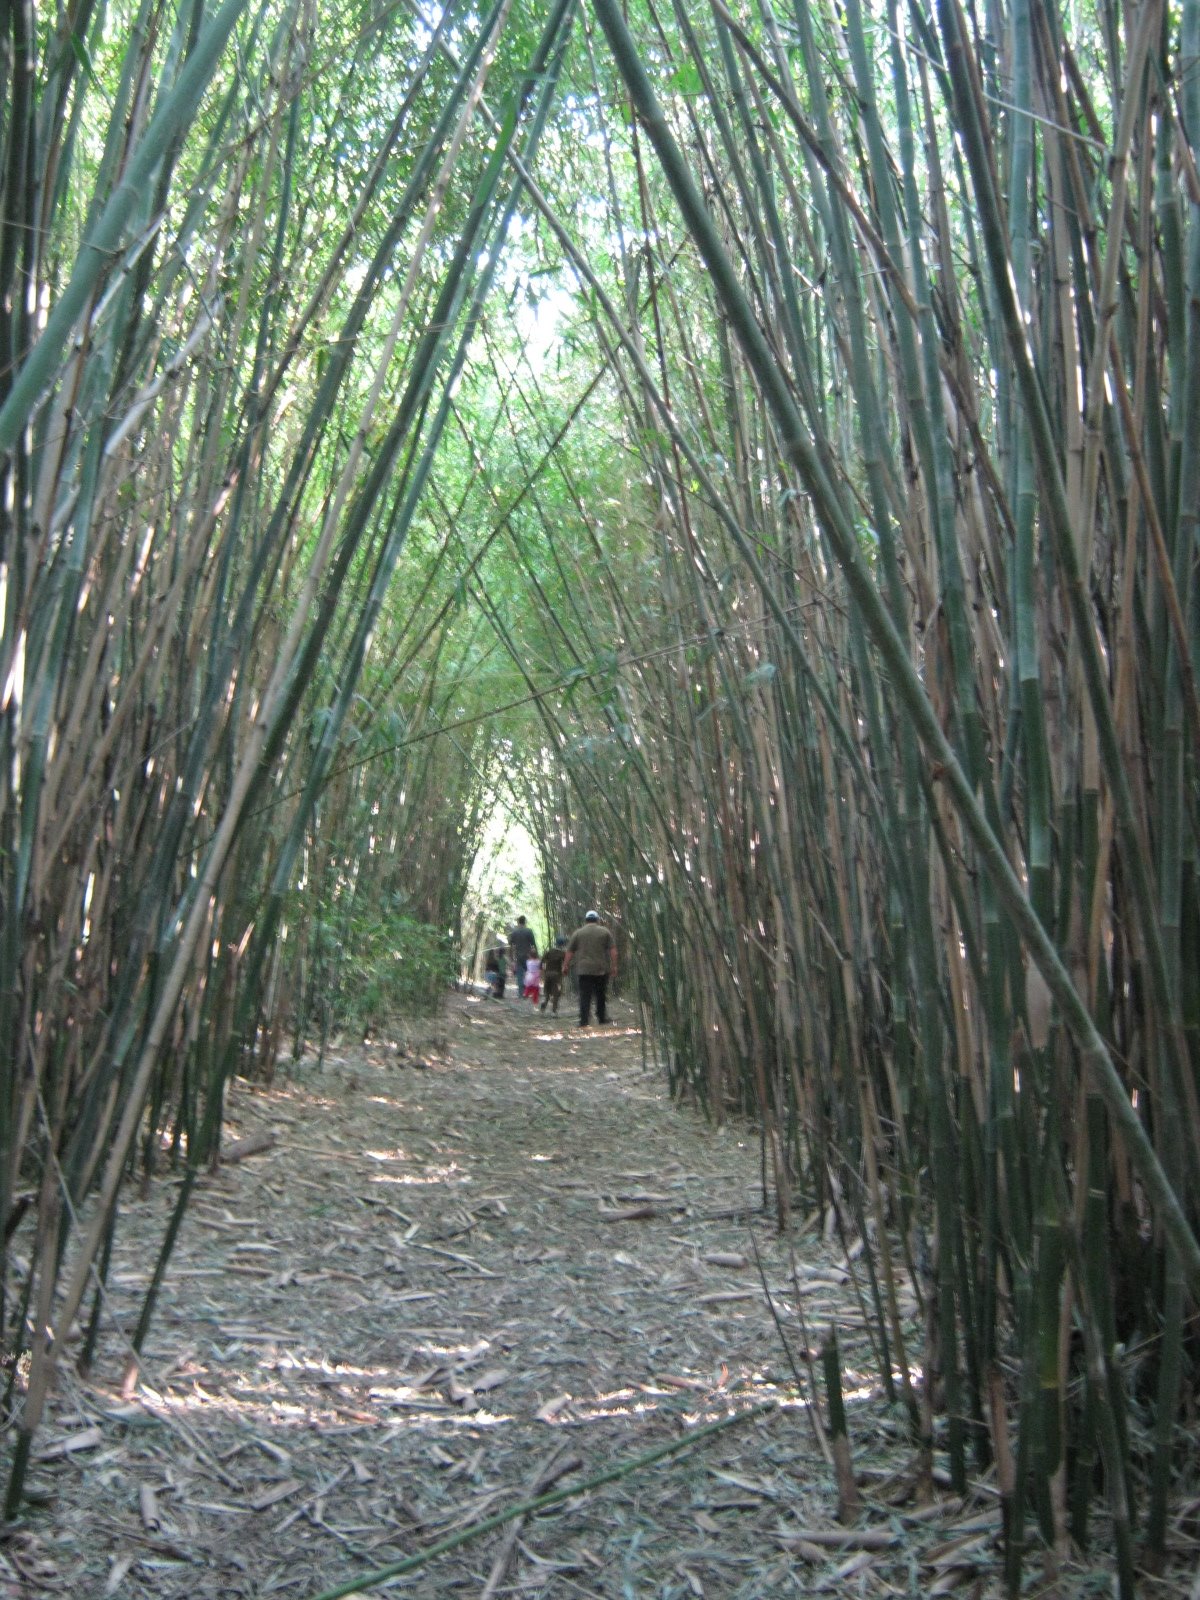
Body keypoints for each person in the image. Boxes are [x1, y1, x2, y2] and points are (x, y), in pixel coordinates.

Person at [564, 910, 616, 1027]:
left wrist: (565, 965)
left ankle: (584, 1020)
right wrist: (614, 966)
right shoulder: (605, 932)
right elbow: (613, 951)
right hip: (600, 969)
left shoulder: (578, 933)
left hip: (584, 969)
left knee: (584, 995)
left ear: (586, 920)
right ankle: (601, 1017)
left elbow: (569, 951)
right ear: (597, 920)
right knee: (601, 994)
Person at [508, 915, 538, 999]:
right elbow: (533, 945)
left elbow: (511, 946)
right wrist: (536, 956)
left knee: (520, 975)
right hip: (528, 956)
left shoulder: (514, 932)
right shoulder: (529, 931)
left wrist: (511, 958)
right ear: (525, 922)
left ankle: (521, 994)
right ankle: (527, 992)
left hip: (518, 956)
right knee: (529, 974)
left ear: (518, 922)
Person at [540, 937, 567, 1014]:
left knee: (547, 992)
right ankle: (554, 1010)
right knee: (556, 993)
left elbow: (542, 961)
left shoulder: (549, 951)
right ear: (563, 944)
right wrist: (564, 972)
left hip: (548, 974)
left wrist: (543, 971)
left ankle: (544, 1005)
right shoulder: (562, 953)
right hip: (556, 975)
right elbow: (566, 964)